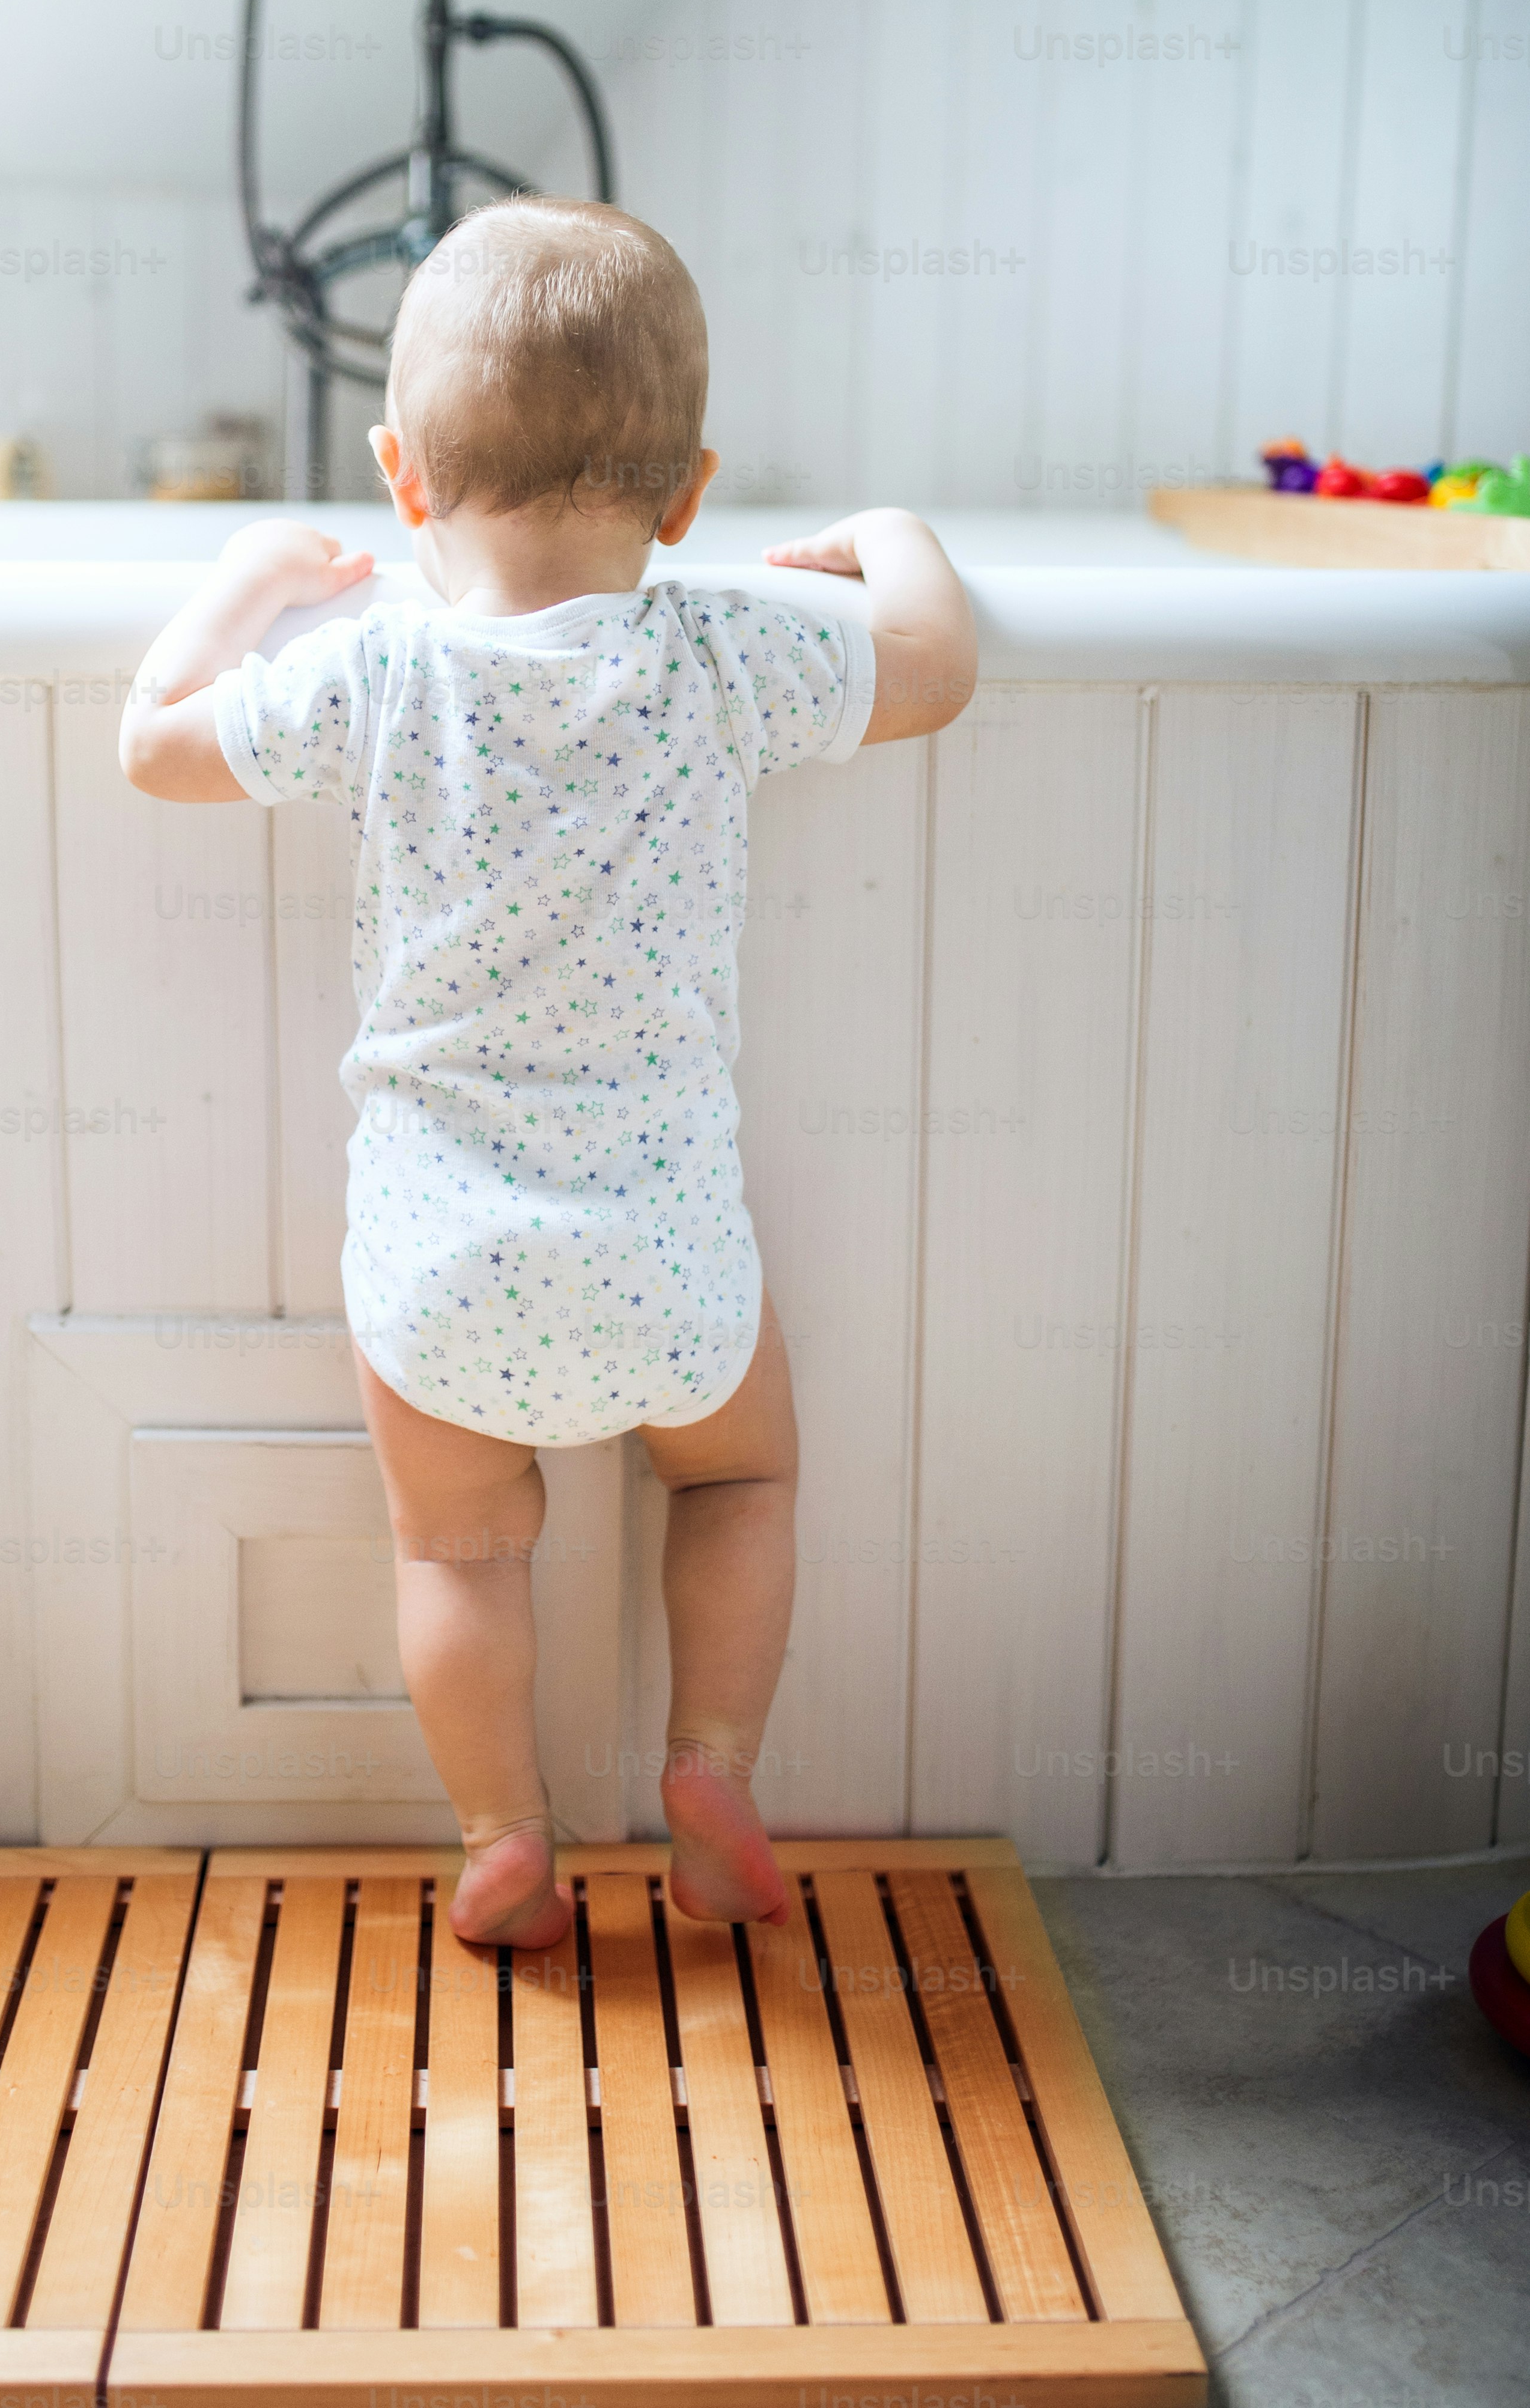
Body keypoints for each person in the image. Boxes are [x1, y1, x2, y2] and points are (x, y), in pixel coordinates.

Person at [121, 198, 976, 1945]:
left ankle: (506, 1833)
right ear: (690, 497)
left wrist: (254, 576)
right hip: (667, 1254)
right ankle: (714, 1763)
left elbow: (153, 749)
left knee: (457, 1554)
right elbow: (936, 670)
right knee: (740, 1482)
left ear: (403, 479)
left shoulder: (368, 673)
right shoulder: (724, 652)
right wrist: (892, 533)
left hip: (441, 1266)